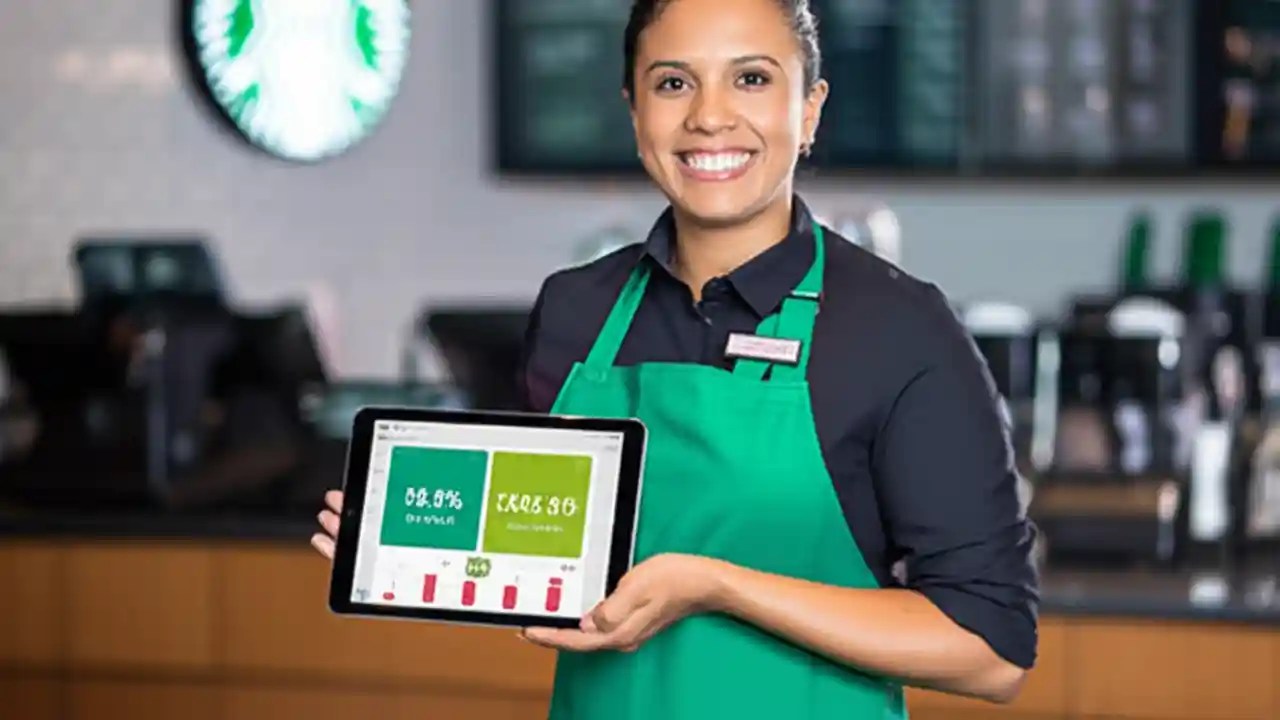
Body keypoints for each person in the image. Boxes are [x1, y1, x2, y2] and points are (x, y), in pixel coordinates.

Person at [313, 0, 1039, 717]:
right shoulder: (576, 310)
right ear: (635, 110)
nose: (709, 116)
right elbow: (558, 561)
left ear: (810, 108)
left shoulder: (898, 328)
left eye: (751, 79)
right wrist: (411, 545)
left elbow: (990, 647)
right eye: (673, 83)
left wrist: (716, 587)